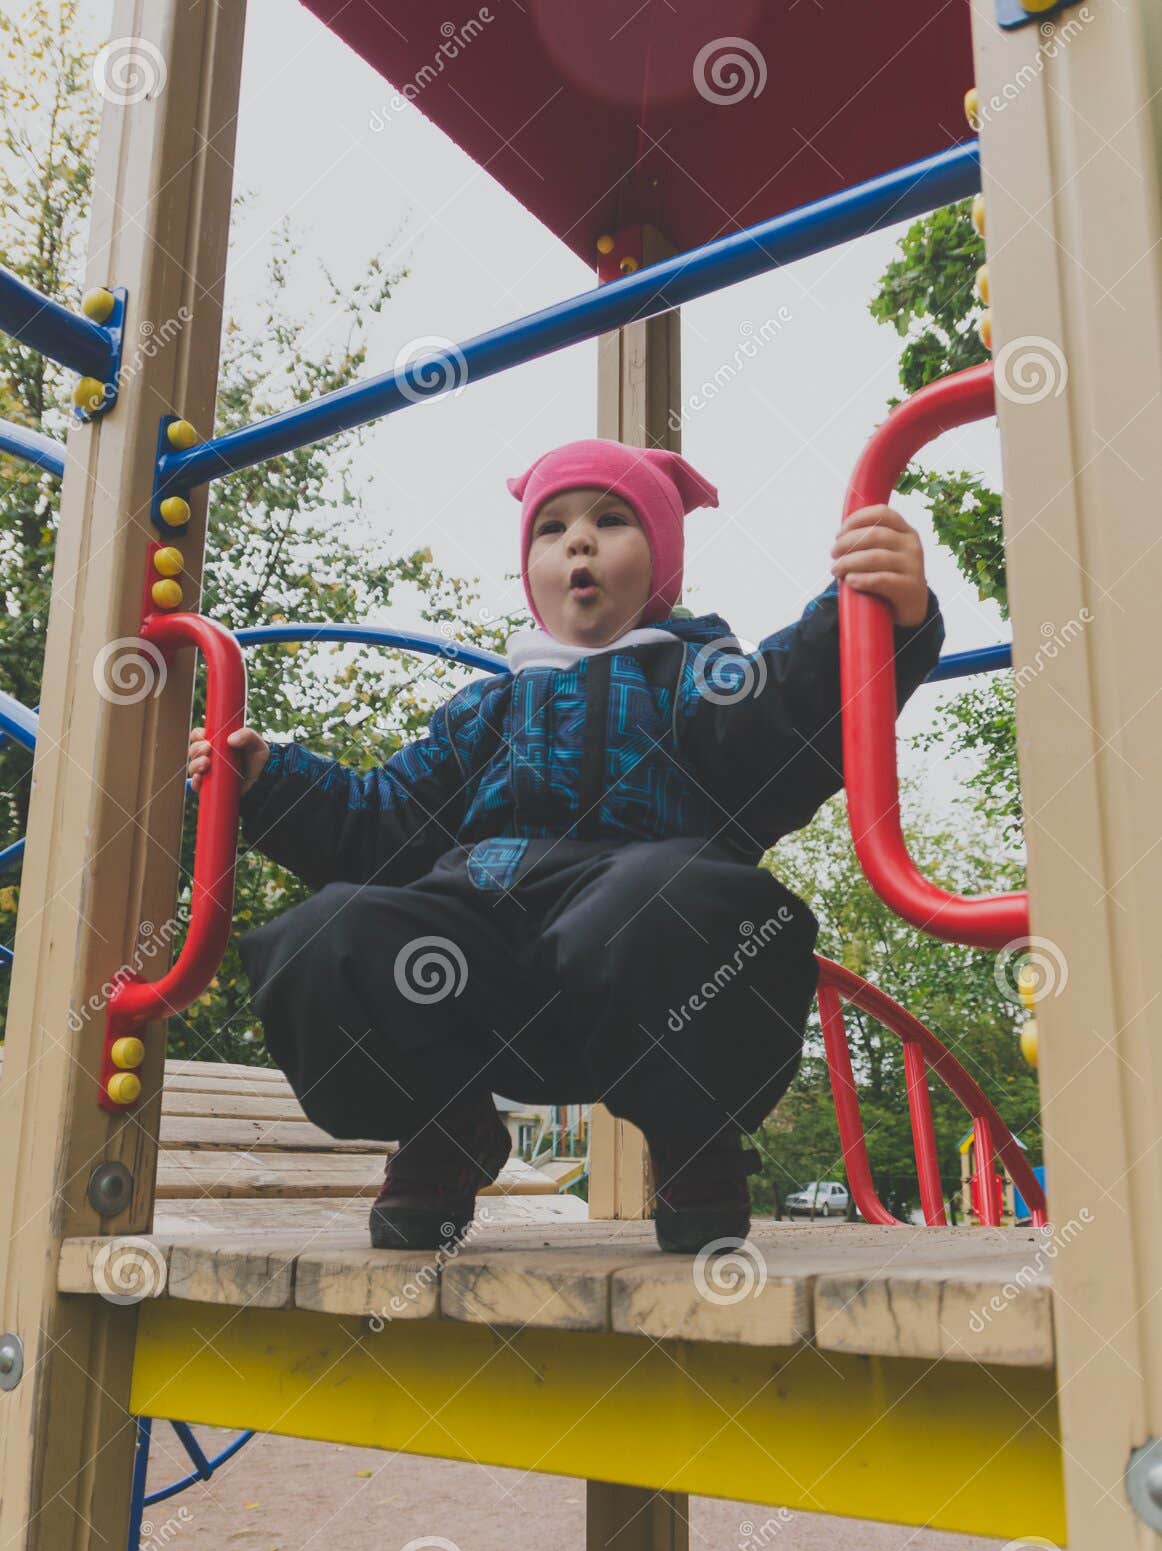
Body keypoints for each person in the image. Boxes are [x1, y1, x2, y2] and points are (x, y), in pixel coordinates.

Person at [188, 439, 944, 1254]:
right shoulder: (488, 711)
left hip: (633, 981)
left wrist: (873, 616)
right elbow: (380, 822)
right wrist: (269, 781)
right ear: (533, 575)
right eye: (551, 529)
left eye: (611, 521)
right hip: (481, 978)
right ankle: (447, 1125)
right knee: (326, 937)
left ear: (662, 566)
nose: (577, 542)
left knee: (683, 902)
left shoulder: (697, 677)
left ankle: (693, 1137)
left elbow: (788, 718)